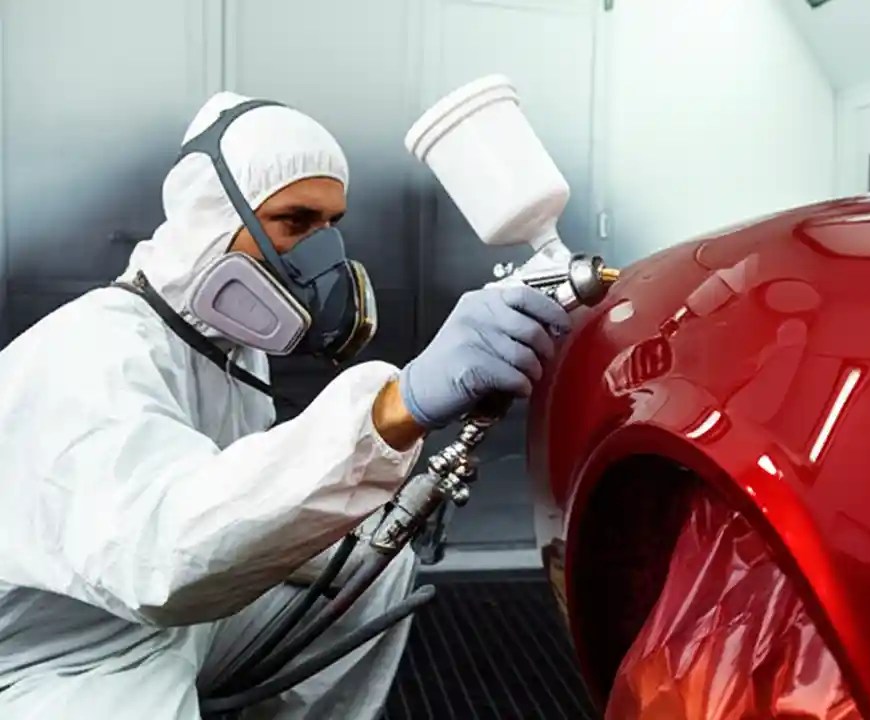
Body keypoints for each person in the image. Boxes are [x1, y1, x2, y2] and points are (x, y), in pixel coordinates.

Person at [0, 91, 570, 719]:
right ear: (213, 223)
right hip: (60, 655)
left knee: (368, 572)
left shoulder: (226, 349)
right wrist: (393, 408)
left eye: (331, 225)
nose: (321, 255)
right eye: (296, 223)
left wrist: (375, 514)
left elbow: (243, 496)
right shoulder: (92, 352)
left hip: (176, 625)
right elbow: (163, 558)